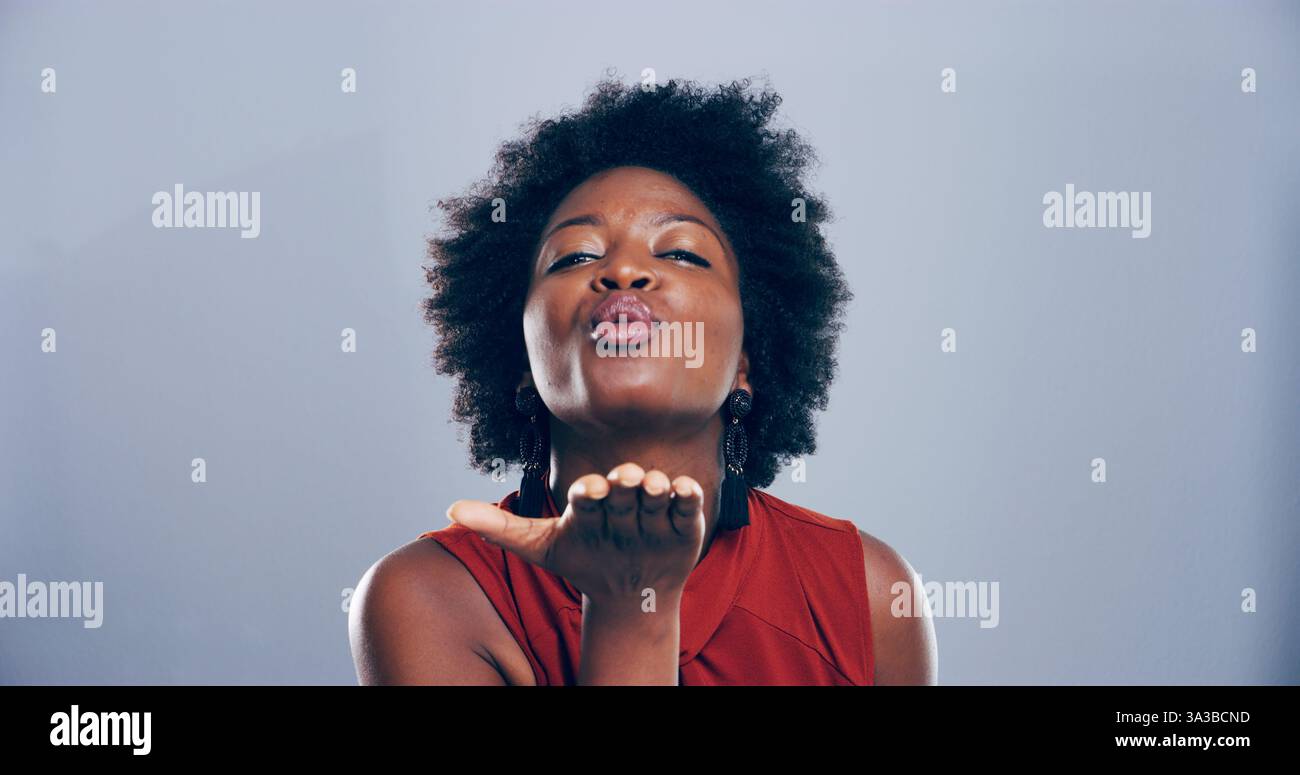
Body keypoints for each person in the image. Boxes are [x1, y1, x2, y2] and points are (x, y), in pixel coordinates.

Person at [348, 75, 937, 685]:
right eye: (574, 256)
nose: (623, 270)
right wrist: (630, 608)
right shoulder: (430, 595)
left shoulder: (867, 594)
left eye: (681, 252)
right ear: (522, 363)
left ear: (747, 363)